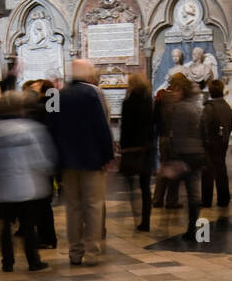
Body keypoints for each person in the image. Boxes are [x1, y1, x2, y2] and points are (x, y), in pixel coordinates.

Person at [0, 90, 54, 273]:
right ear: (21, 108)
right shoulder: (32, 129)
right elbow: (42, 160)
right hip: (26, 186)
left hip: (2, 186)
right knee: (28, 226)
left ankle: (7, 262)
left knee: (4, 227)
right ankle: (33, 261)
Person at [48, 59, 113, 266]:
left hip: (67, 162)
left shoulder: (58, 95)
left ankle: (74, 253)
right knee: (93, 206)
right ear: (88, 74)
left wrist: (57, 159)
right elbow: (102, 127)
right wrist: (108, 156)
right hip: (92, 160)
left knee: (73, 208)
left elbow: (52, 128)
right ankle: (92, 253)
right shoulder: (92, 94)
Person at [159, 72, 205, 241]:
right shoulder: (197, 105)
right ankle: (192, 228)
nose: (174, 92)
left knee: (175, 188)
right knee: (193, 193)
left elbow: (176, 135)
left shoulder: (179, 108)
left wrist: (172, 157)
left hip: (183, 155)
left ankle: (166, 229)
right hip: (197, 154)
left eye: (176, 89)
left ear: (182, 90)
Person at [22, 79, 57, 248]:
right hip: (43, 156)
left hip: (43, 157)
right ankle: (46, 237)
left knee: (43, 202)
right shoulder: (44, 104)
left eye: (36, 86)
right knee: (41, 202)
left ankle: (47, 238)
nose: (32, 88)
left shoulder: (47, 104)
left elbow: (50, 122)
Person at [119, 72, 154, 231]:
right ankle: (145, 220)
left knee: (131, 185)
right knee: (145, 187)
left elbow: (126, 127)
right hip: (147, 147)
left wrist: (123, 146)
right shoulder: (149, 101)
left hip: (132, 148)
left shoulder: (128, 102)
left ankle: (136, 215)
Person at [199, 78, 232, 207]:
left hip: (210, 142)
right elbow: (230, 125)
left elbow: (203, 126)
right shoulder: (227, 107)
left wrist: (203, 140)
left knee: (207, 172)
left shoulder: (209, 108)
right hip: (222, 142)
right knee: (221, 169)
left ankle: (206, 200)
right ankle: (224, 198)